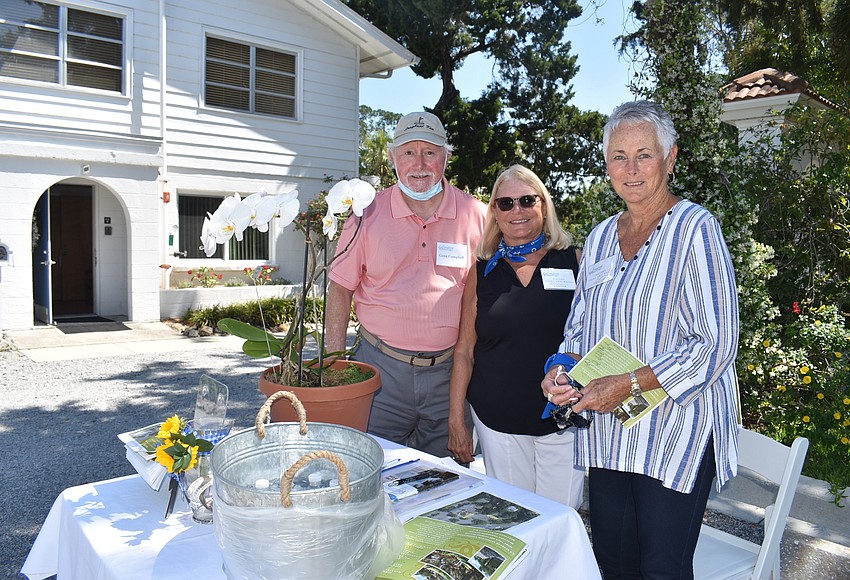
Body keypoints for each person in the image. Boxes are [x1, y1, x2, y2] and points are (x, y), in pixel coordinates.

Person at [541, 100, 740, 578]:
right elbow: (579, 326)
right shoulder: (603, 237)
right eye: (618, 156)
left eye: (644, 155)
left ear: (670, 158)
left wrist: (628, 384)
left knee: (661, 568)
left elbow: (715, 343)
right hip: (613, 433)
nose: (630, 169)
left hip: (676, 429)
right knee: (612, 561)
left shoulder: (696, 229)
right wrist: (560, 372)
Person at [325, 111, 487, 458]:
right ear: (392, 158)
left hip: (450, 376)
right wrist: (335, 364)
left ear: (446, 156)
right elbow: (339, 288)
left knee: (444, 483)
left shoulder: (477, 215)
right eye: (408, 152)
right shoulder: (365, 214)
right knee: (368, 471)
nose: (419, 163)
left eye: (430, 152)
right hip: (379, 371)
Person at [446, 164, 586, 508]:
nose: (517, 210)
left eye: (526, 200)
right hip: (498, 422)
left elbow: (595, 338)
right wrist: (456, 419)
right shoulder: (481, 271)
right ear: (494, 212)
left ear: (544, 205)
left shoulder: (576, 262)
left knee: (561, 517)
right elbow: (464, 350)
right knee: (514, 521)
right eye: (505, 203)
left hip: (563, 418)